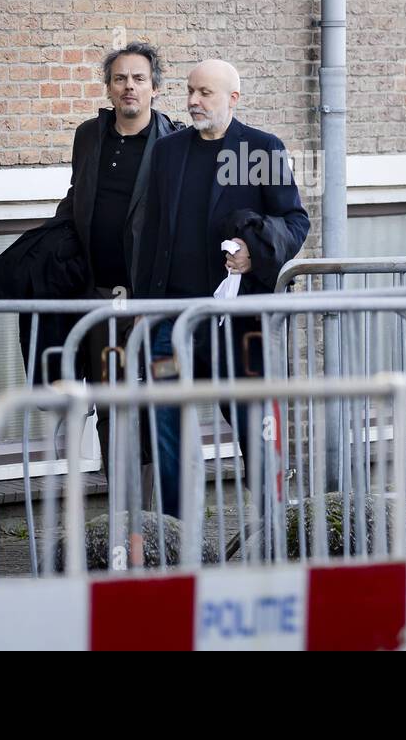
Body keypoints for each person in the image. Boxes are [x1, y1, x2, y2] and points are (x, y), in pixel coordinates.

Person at [0, 42, 177, 476]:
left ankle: (154, 524)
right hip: (98, 300)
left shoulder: (173, 142)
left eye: (139, 79)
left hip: (149, 303)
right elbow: (78, 199)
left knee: (153, 405)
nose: (129, 87)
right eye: (120, 79)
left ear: (155, 89)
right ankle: (121, 520)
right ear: (109, 89)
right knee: (110, 405)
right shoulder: (89, 136)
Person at [134, 59, 310, 516]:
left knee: (253, 424)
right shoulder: (169, 152)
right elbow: (151, 233)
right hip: (171, 318)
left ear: (233, 97)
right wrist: (141, 305)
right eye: (190, 91)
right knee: (167, 424)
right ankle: (174, 531)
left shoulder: (261, 148)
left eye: (205, 93)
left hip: (238, 320)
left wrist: (256, 254)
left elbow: (295, 220)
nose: (193, 101)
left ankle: (272, 525)